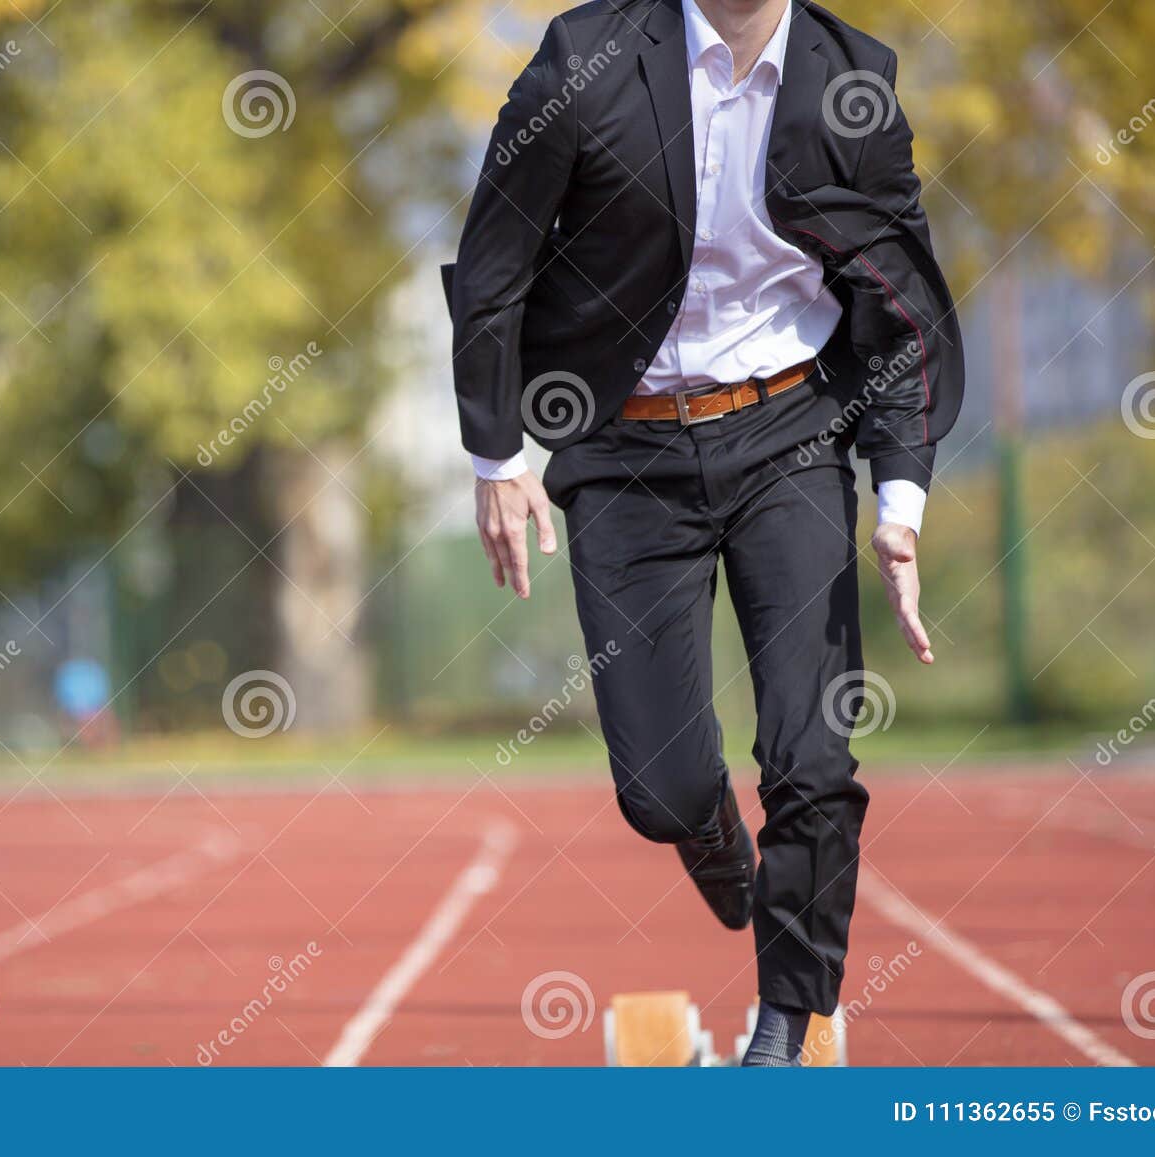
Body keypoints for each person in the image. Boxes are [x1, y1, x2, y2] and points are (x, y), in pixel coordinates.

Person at [448, 0, 963, 1065]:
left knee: (811, 754)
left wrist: (898, 497)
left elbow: (903, 306)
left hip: (788, 435)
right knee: (661, 790)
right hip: (624, 453)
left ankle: (787, 1018)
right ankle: (712, 838)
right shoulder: (584, 62)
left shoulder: (849, 85)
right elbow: (493, 264)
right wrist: (497, 460)